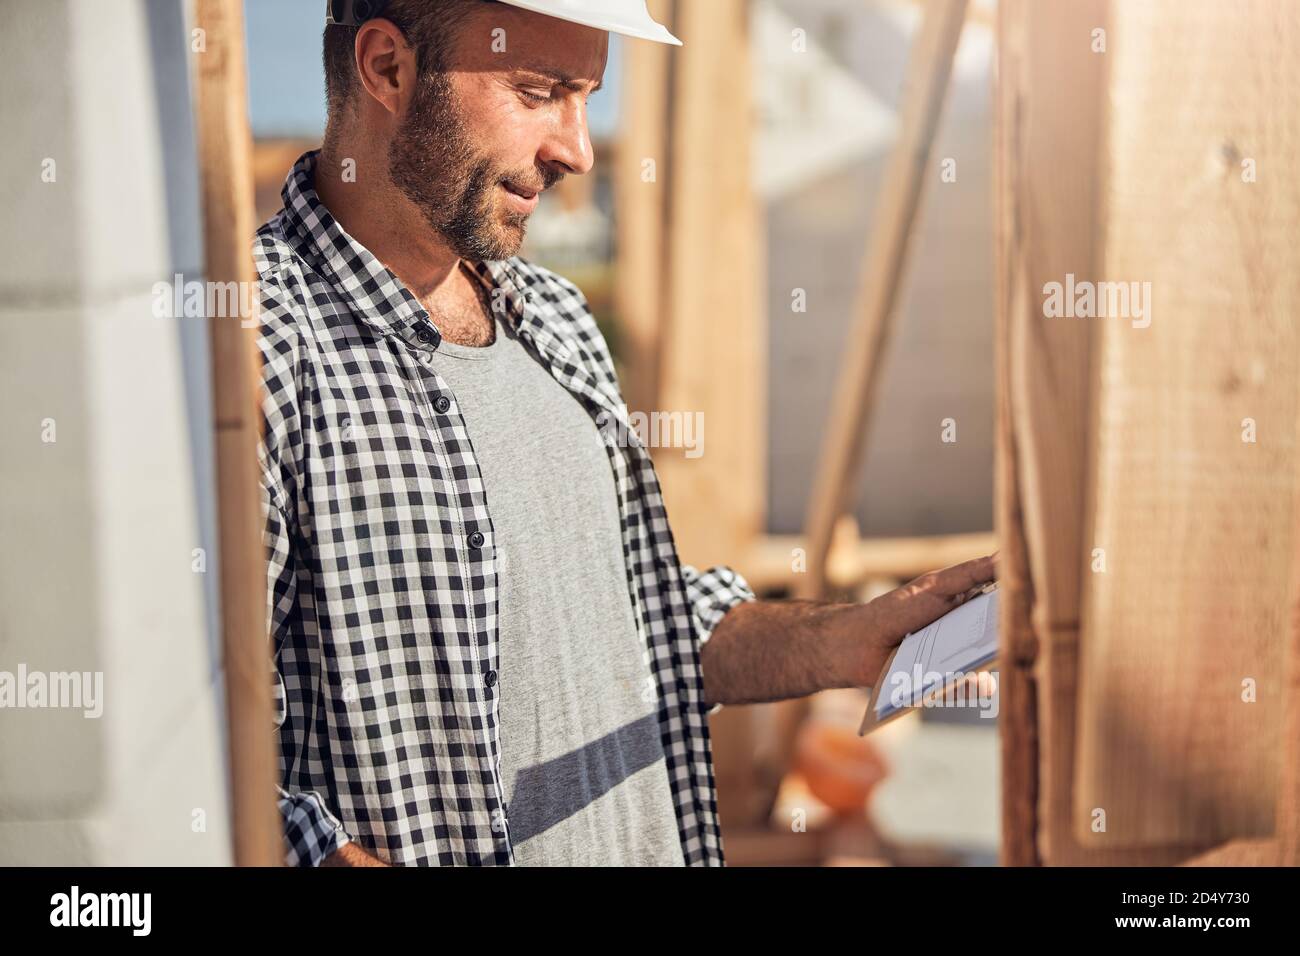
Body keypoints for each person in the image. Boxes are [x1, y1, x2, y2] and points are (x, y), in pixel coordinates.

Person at [256, 0, 996, 866]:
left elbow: (633, 618)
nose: (577, 150)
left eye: (586, 99)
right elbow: (196, 748)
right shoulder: (258, 350)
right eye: (539, 92)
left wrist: (846, 639)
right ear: (387, 68)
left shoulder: (558, 323)